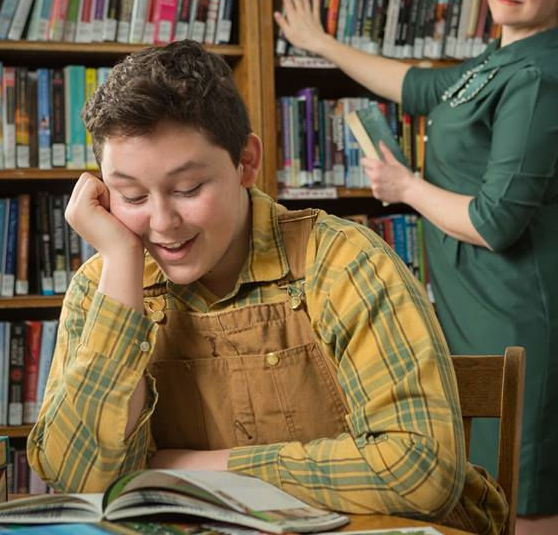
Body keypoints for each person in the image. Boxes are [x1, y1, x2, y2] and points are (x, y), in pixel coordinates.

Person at [26, 40, 507, 535]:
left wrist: (190, 469)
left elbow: (422, 472)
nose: (162, 223)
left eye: (188, 189)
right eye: (130, 195)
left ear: (246, 162)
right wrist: (123, 266)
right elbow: (78, 480)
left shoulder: (343, 261)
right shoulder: (105, 285)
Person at [274, 0, 558, 535]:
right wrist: (321, 45)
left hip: (521, 303)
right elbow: (419, 88)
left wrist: (404, 186)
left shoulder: (538, 77)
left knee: (529, 500)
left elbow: (495, 221)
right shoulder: (498, 57)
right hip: (475, 298)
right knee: (488, 485)